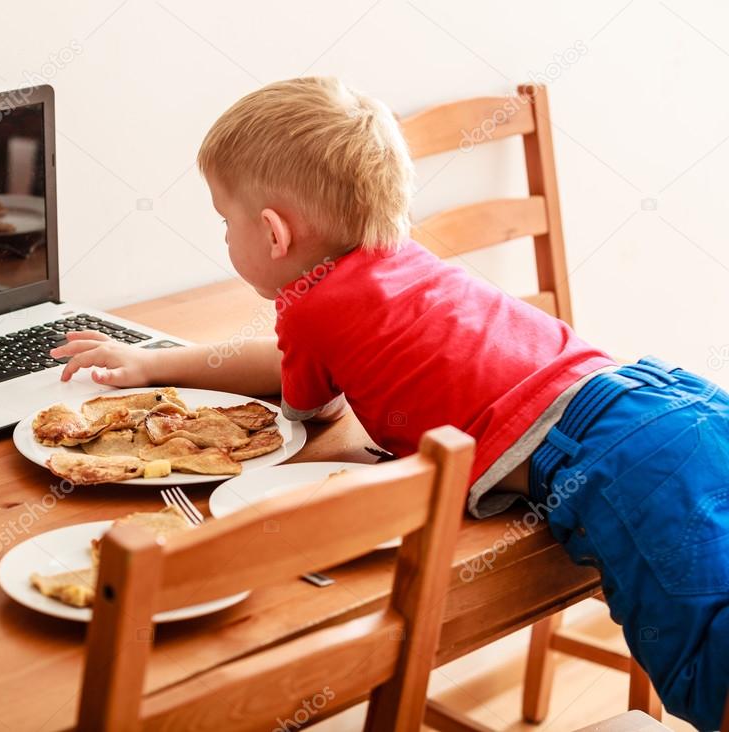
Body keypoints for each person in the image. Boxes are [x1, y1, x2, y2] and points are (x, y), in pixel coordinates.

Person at [49, 77, 729, 729]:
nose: (224, 238)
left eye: (224, 222)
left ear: (274, 234)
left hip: (618, 465)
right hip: (659, 402)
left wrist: (157, 368)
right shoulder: (401, 256)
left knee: (714, 674)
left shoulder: (314, 308)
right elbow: (302, 366)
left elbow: (304, 403)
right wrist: (149, 362)